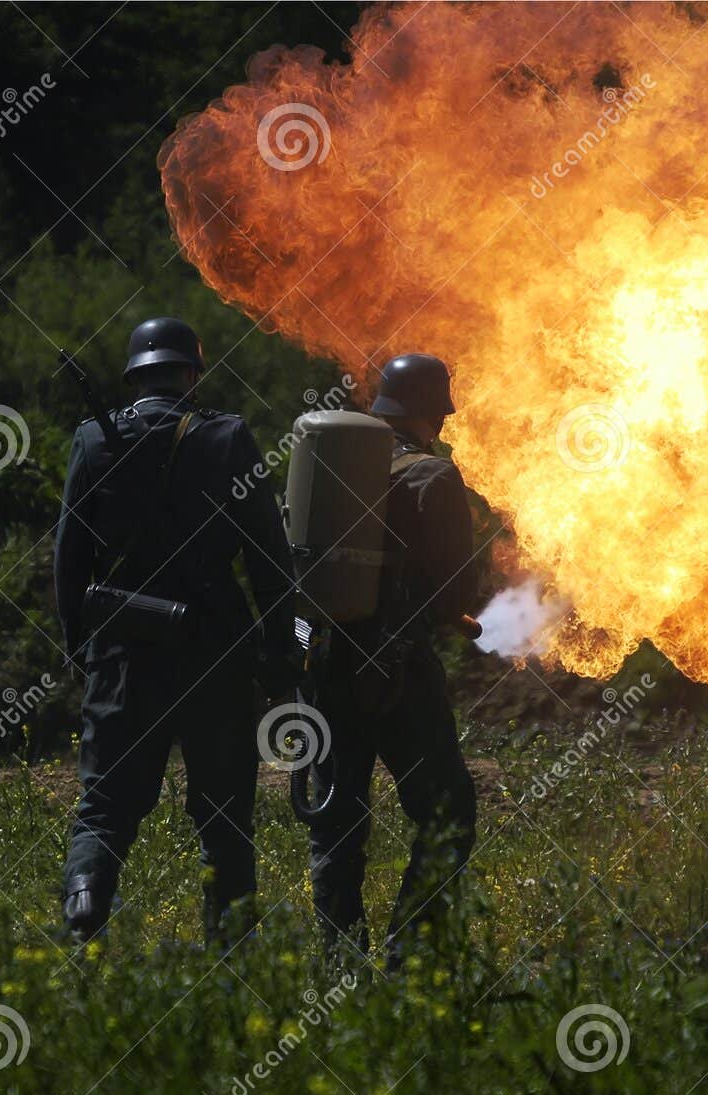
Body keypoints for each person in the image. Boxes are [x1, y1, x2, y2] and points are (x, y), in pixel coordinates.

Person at [53, 317, 297, 945]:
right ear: (192, 374)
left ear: (135, 375)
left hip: (123, 653)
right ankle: (233, 951)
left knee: (105, 810)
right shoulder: (227, 438)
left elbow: (69, 560)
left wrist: (80, 647)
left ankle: (83, 922)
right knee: (223, 817)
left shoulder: (92, 441)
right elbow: (271, 563)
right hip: (215, 653)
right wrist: (285, 654)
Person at [308, 353, 480, 969]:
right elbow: (456, 593)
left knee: (335, 819)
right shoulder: (433, 475)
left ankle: (340, 964)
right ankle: (409, 956)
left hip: (325, 664)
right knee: (448, 813)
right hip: (399, 669)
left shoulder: (327, 462)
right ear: (436, 411)